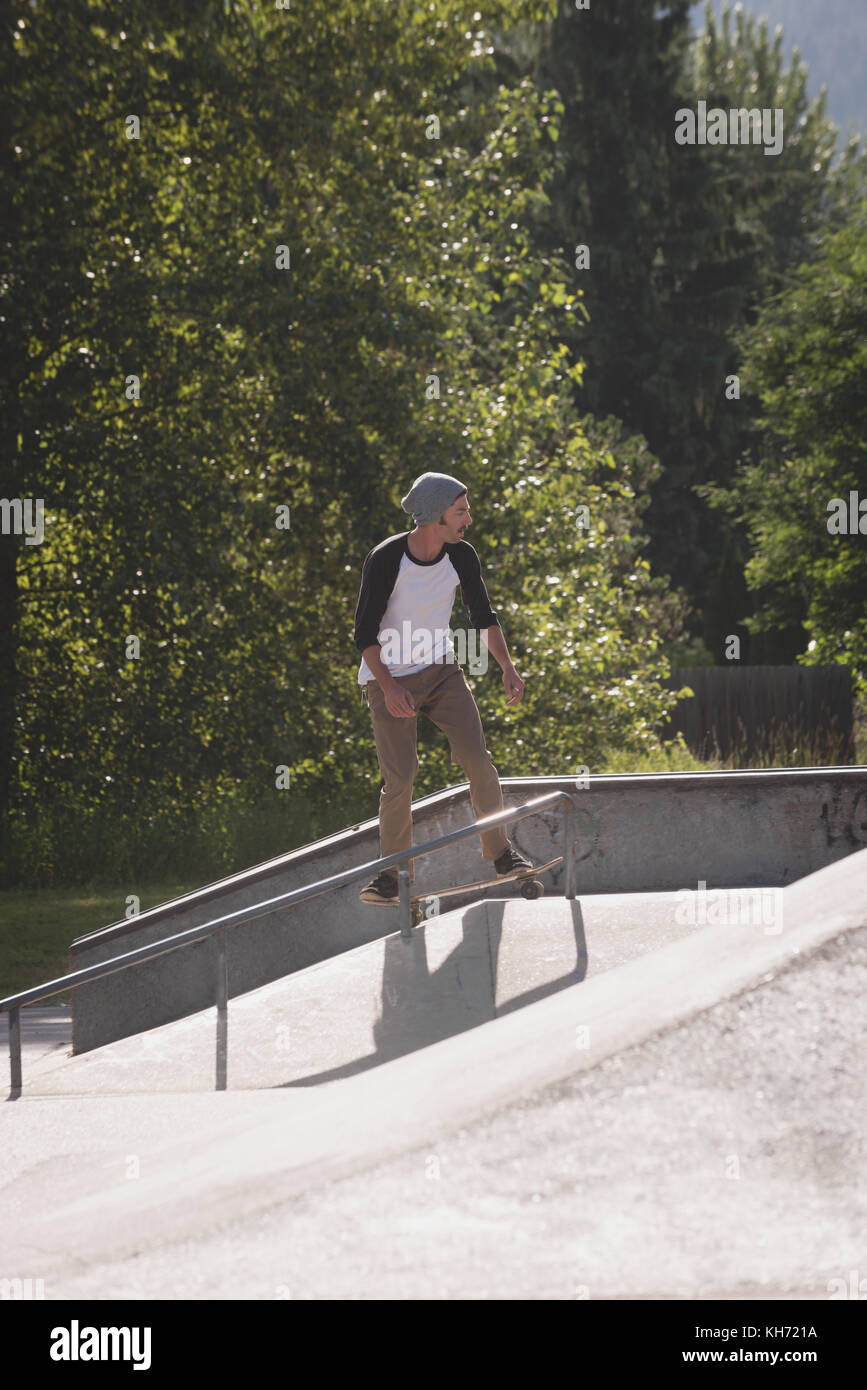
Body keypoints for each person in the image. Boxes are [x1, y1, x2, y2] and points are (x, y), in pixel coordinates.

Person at [353, 470, 532, 903]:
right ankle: (391, 877)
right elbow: (363, 635)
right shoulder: (387, 559)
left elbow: (483, 617)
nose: (468, 520)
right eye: (461, 512)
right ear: (435, 515)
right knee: (400, 778)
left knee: (476, 757)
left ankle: (501, 852)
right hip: (387, 677)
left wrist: (507, 666)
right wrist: (391, 688)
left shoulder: (461, 556)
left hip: (441, 670)